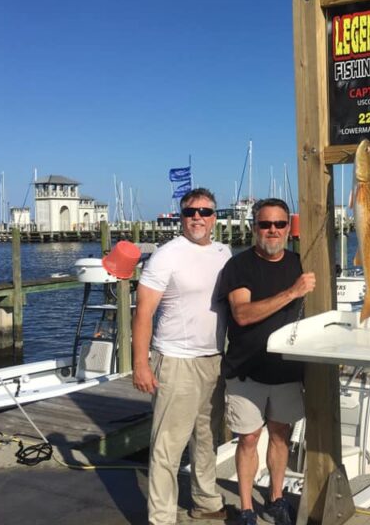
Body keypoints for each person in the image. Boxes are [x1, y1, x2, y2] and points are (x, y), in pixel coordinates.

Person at [132, 188, 232, 525]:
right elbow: (143, 313)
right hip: (175, 360)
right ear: (181, 217)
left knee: (207, 438)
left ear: (215, 217)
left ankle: (206, 501)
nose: (197, 218)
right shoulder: (167, 255)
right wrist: (141, 364)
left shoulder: (224, 252)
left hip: (214, 359)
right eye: (190, 212)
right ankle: (161, 518)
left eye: (205, 212)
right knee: (168, 445)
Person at [220, 198, 316, 525]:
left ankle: (276, 498)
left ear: (289, 228)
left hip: (287, 370)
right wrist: (292, 293)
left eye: (279, 224)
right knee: (248, 438)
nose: (272, 230)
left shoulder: (300, 264)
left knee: (280, 434)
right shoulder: (239, 266)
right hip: (246, 369)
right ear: (254, 228)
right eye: (265, 224)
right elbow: (242, 314)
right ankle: (247, 507)